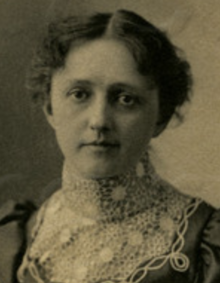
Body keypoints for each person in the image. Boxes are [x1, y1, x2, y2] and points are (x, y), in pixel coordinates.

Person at [0, 9, 220, 283]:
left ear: (161, 117)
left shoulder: (204, 246)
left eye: (125, 99)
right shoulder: (13, 241)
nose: (99, 120)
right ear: (50, 107)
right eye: (79, 94)